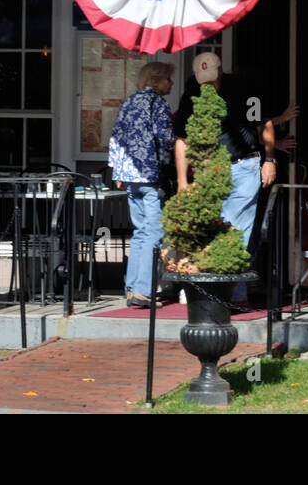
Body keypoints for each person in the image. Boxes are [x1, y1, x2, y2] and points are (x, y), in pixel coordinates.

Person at [173, 52, 284, 253]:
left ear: (221, 72)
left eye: (212, 81)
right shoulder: (191, 91)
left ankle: (230, 282)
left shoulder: (244, 87)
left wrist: (269, 159)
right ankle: (216, 281)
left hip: (244, 166)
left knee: (236, 228)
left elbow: (263, 123)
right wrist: (182, 182)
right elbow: (182, 139)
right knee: (210, 226)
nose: (207, 86)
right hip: (209, 169)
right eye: (202, 82)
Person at [108, 60, 175, 308]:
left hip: (130, 178)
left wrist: (117, 170)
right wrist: (184, 141)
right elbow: (165, 137)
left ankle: (132, 288)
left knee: (139, 233)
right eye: (168, 78)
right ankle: (144, 290)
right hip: (152, 175)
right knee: (155, 232)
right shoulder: (158, 104)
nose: (171, 83)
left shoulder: (129, 102)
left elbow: (116, 136)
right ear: (156, 80)